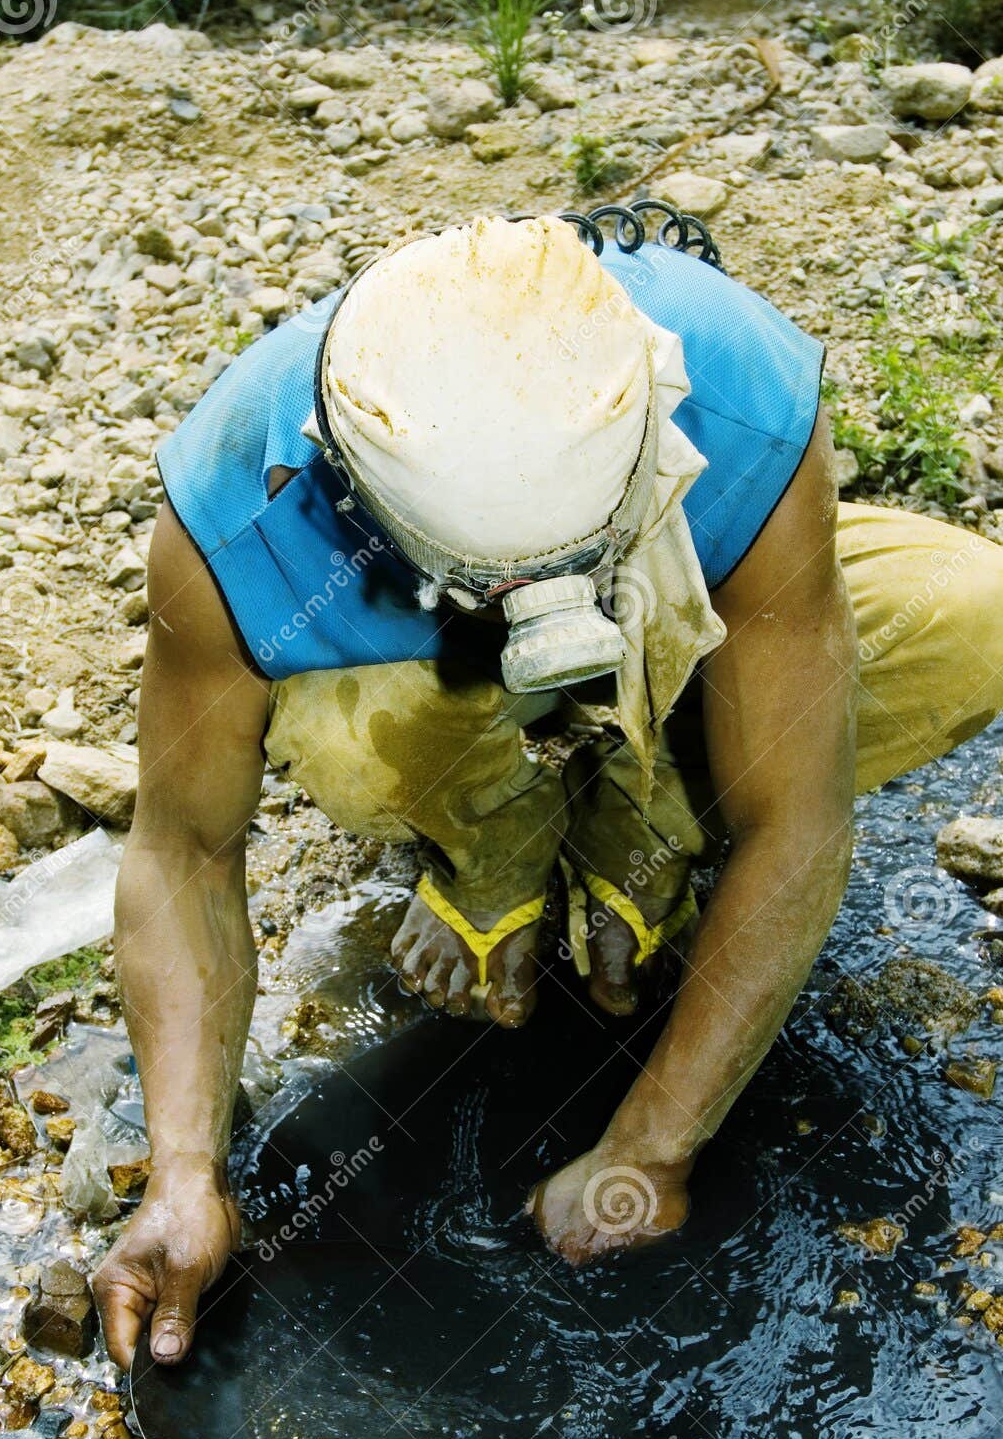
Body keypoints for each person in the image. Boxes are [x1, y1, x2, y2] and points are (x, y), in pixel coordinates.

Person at [92, 212, 1003, 1370]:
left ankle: (643, 834)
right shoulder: (241, 507)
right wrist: (183, 1172)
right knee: (357, 726)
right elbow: (181, 851)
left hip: (695, 645)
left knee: (967, 615)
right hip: (434, 691)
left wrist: (650, 1146)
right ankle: (490, 860)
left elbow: (797, 819)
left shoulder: (726, 385)